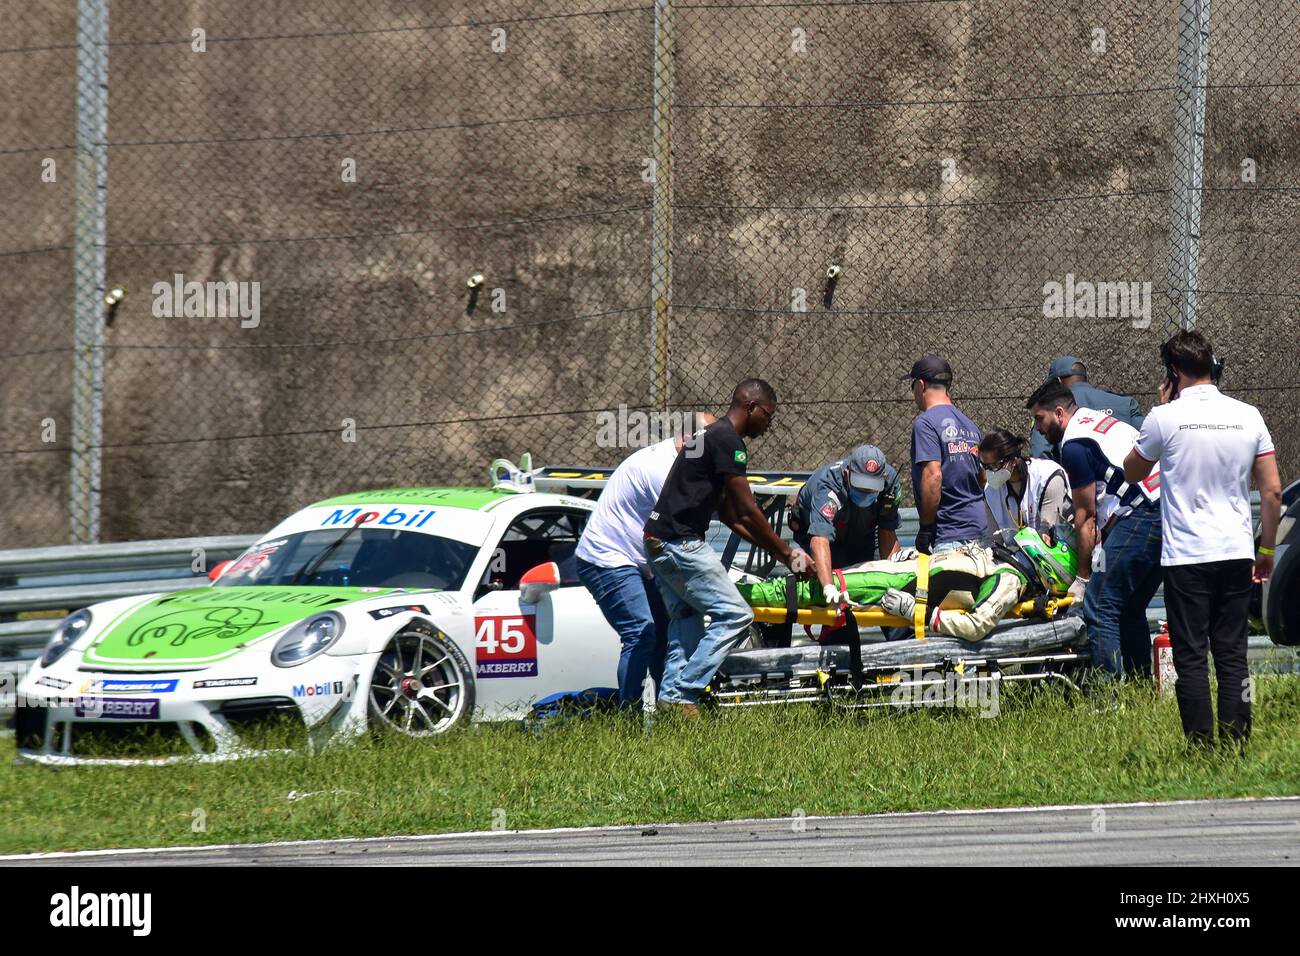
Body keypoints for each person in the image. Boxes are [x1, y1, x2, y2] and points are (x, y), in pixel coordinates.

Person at [1123, 331, 1282, 749]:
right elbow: (1272, 492)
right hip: (1235, 551)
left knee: (1191, 654)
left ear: (1173, 371)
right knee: (1232, 653)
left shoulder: (1165, 417)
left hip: (1186, 557)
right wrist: (1265, 550)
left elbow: (1133, 472)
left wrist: (1161, 410)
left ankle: (1200, 746)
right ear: (1212, 365)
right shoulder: (1250, 416)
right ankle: (1236, 744)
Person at [643, 379, 815, 715]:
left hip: (658, 541)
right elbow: (748, 507)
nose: (769, 424)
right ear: (752, 407)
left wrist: (776, 549)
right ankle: (683, 693)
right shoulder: (729, 442)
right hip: (680, 542)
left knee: (686, 621)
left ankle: (670, 706)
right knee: (736, 615)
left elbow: (731, 516)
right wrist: (787, 553)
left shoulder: (712, 437)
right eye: (768, 415)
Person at [575, 412, 716, 708]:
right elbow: (682, 535)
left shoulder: (680, 462)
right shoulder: (661, 470)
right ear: (690, 441)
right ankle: (627, 716)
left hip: (640, 562)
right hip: (607, 558)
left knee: (666, 633)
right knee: (641, 632)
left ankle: (671, 709)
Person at [1027, 379, 1162, 678]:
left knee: (1100, 606)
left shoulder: (1074, 444)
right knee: (1129, 606)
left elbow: (1085, 515)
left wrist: (1083, 577)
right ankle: (1140, 684)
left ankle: (1108, 695)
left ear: (1060, 413)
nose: (1037, 428)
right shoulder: (1096, 420)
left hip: (1143, 516)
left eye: (1040, 418)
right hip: (1166, 514)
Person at [736, 527, 1077, 643]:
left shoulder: (1009, 580)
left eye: (1048, 538)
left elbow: (976, 626)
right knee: (805, 589)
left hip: (897, 587)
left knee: (800, 592)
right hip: (898, 572)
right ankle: (728, 594)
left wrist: (918, 613)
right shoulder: (1002, 563)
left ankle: (728, 596)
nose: (1041, 534)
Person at [789, 444, 903, 607]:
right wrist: (829, 588)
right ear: (846, 473)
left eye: (871, 488)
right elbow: (820, 539)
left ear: (883, 477)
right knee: (839, 595)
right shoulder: (828, 484)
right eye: (860, 485)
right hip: (827, 541)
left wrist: (896, 579)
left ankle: (903, 632)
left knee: (890, 594)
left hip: (864, 536)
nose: (865, 492)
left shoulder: (890, 482)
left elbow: (887, 531)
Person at [904, 355, 986, 554]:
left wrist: (925, 529)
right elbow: (982, 477)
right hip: (981, 530)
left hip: (949, 535)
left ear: (921, 385)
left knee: (950, 586)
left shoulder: (925, 423)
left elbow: (933, 476)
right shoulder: (970, 425)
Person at [1029, 356, 1143, 459]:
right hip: (1130, 475)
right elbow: (1145, 439)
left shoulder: (1052, 408)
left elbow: (1040, 454)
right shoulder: (1125, 403)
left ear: (1057, 382)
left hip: (1076, 479)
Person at [978, 429, 1073, 536]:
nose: (989, 472)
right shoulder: (990, 491)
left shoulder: (1047, 477)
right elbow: (994, 539)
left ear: (1012, 460)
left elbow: (1048, 535)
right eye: (985, 466)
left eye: (994, 466)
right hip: (1018, 550)